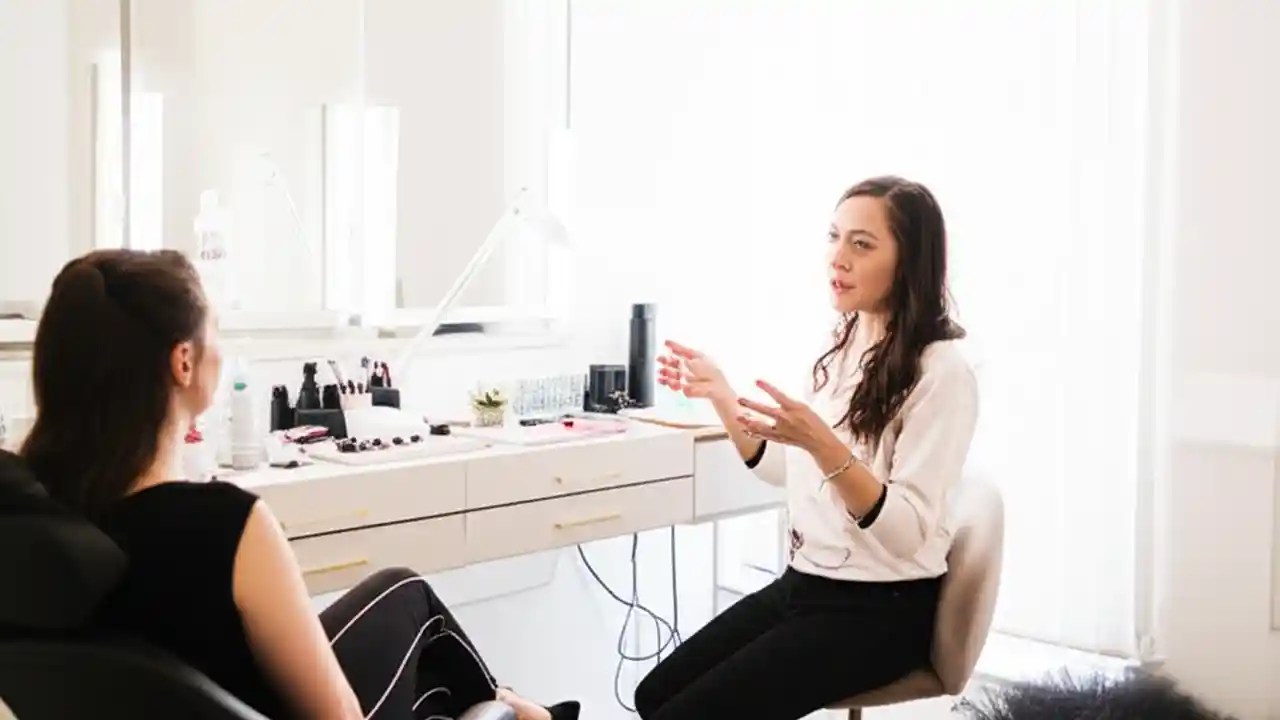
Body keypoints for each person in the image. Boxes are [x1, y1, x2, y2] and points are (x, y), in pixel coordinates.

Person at [20, 249, 579, 720]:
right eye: (214, 328)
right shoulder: (225, 526)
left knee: (410, 612)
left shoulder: (32, 512)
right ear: (183, 362)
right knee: (418, 615)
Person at [637, 176, 978, 719]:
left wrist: (824, 447)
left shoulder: (942, 372)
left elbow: (907, 531)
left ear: (909, 260)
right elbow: (783, 471)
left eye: (861, 244)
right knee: (651, 696)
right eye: (834, 237)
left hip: (880, 613)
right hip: (806, 587)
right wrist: (723, 396)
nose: (837, 259)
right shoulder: (841, 345)